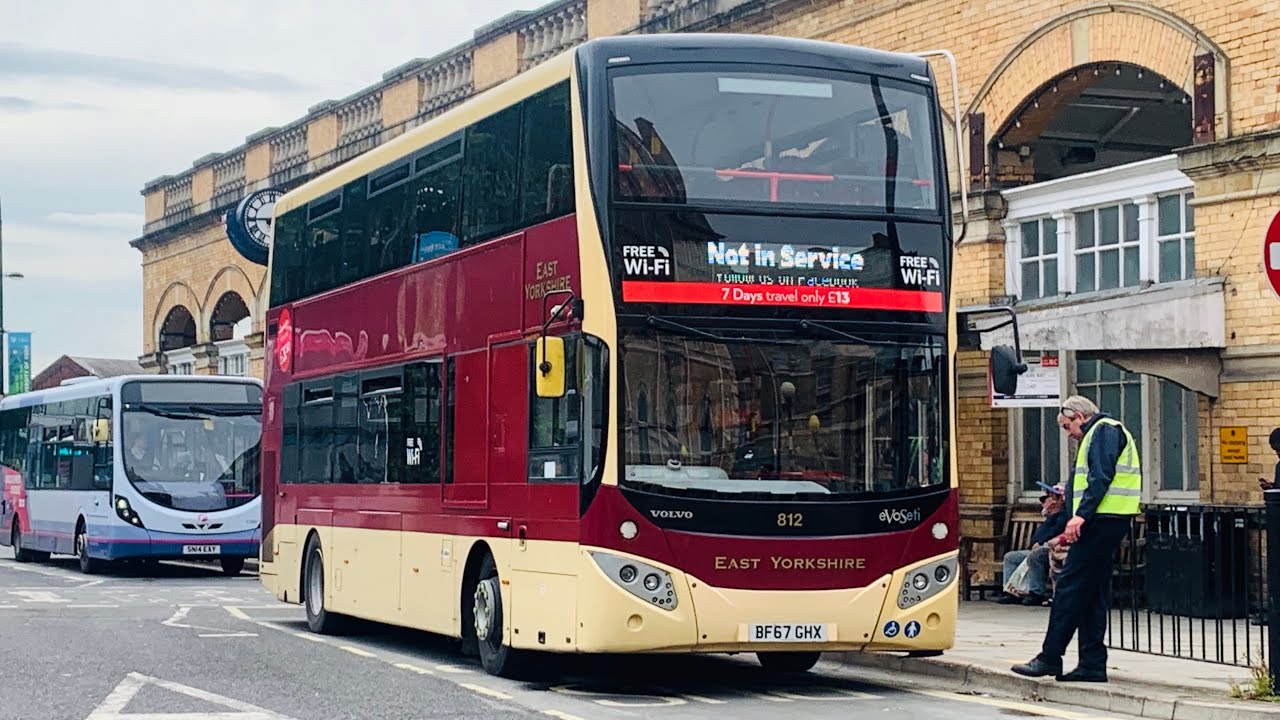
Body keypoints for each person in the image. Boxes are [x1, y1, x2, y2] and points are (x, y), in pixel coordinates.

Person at [1011, 394, 1142, 683]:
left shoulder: (1104, 430)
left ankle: (1049, 657)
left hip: (1101, 521)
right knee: (1092, 593)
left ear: (1079, 417)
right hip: (1105, 520)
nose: (1068, 434)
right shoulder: (1102, 432)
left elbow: (1100, 477)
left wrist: (1079, 516)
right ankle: (1092, 663)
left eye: (1067, 426)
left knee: (1069, 587)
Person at [997, 482, 1067, 606]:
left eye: (1048, 497)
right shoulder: (1051, 516)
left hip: (1053, 549)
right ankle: (1012, 592)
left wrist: (1040, 543)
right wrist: (1048, 514)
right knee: (1011, 557)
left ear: (1058, 499)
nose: (1044, 501)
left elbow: (1054, 532)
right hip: (1038, 547)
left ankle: (1036, 593)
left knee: (1035, 556)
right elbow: (1040, 533)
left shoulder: (1063, 515)